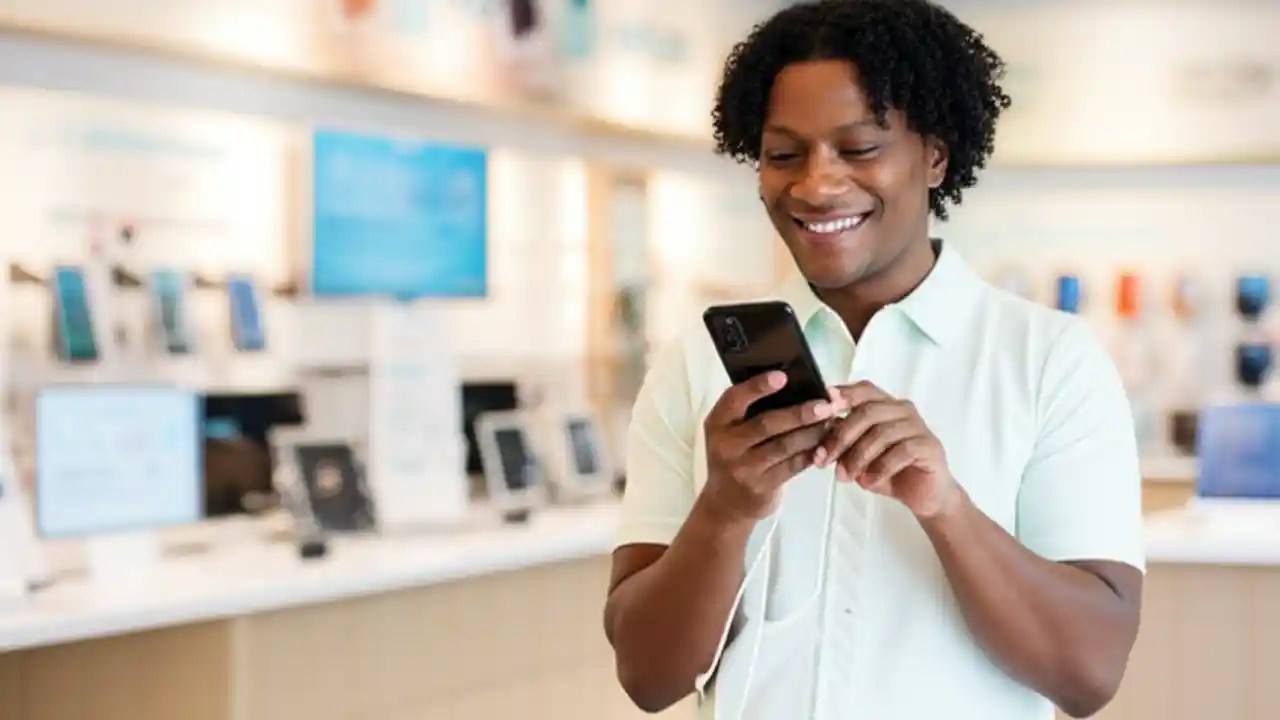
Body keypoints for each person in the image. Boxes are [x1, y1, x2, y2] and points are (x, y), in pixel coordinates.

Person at [602, 1, 1145, 719]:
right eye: (783, 153)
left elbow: (1089, 673)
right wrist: (724, 513)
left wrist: (946, 509)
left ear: (935, 156)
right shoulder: (695, 366)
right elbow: (647, 677)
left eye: (859, 149)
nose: (816, 185)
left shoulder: (1050, 363)